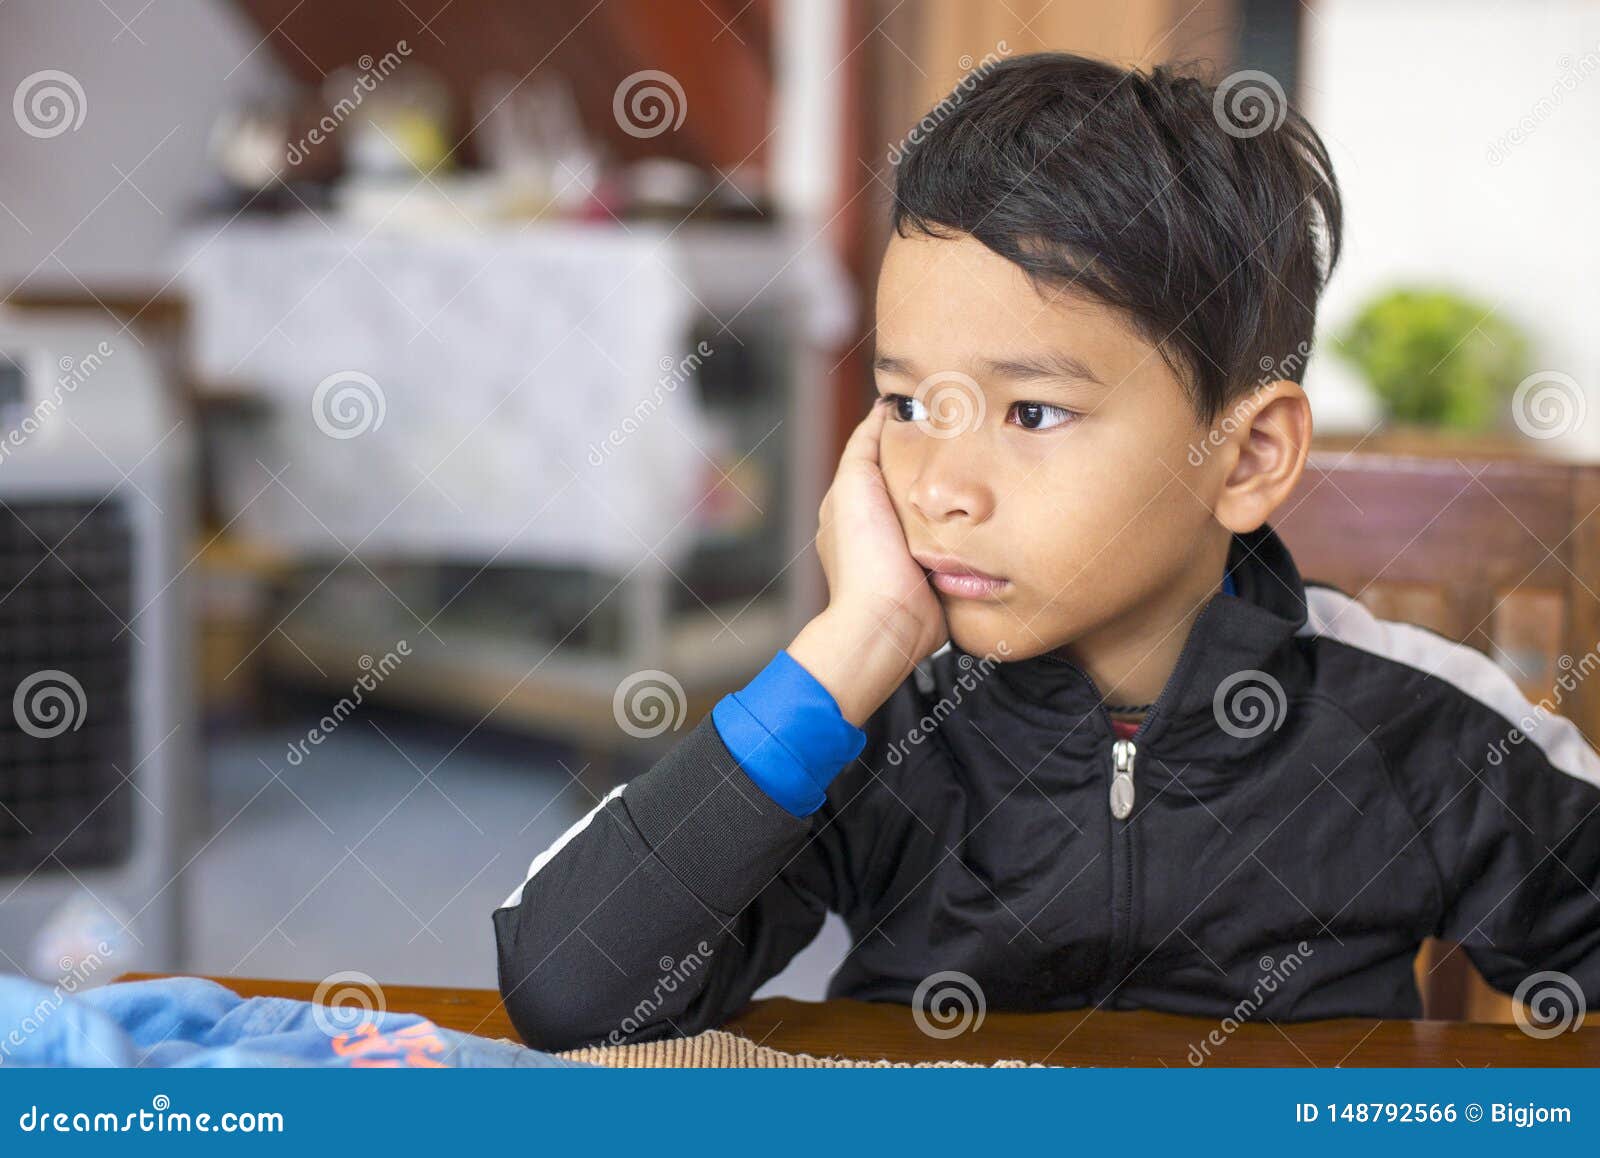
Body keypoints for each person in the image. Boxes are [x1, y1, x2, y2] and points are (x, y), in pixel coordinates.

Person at [493, 51, 1600, 1051]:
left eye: (1031, 414)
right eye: (909, 403)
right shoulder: (862, 714)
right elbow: (564, 988)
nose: (939, 487)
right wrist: (857, 642)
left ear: (1248, 452)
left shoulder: (1423, 728)